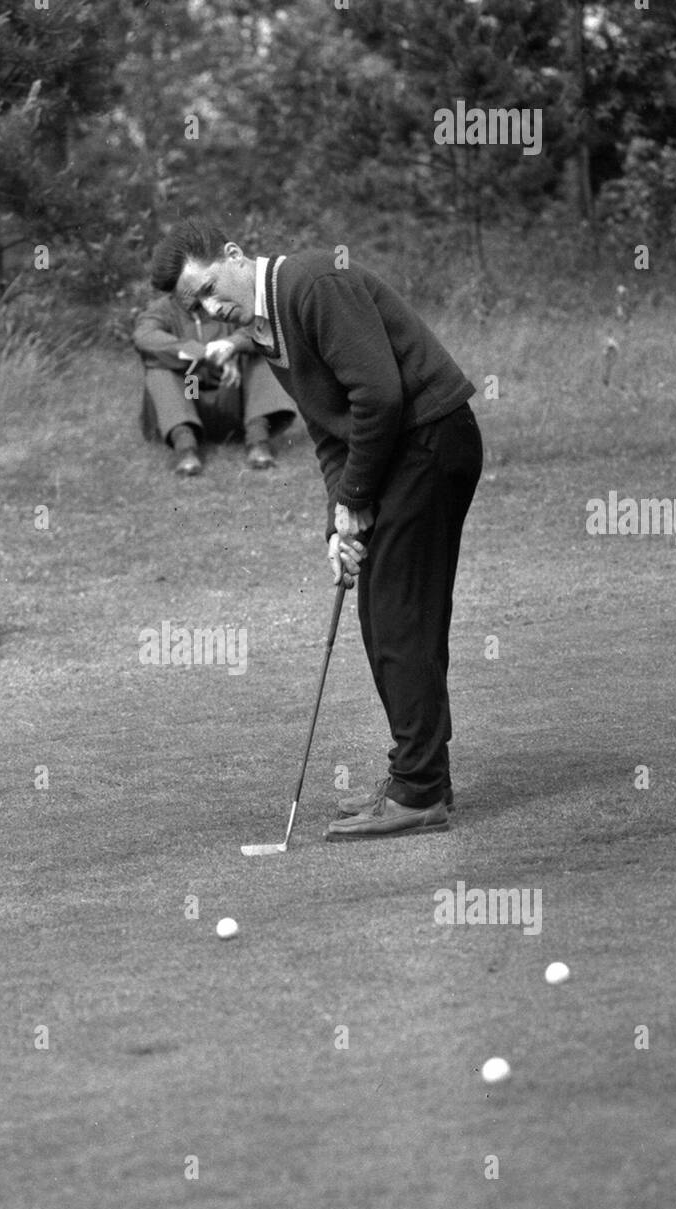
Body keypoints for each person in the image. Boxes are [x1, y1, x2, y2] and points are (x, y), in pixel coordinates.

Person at [149, 220, 483, 839]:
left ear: (233, 256)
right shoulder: (265, 328)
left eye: (209, 289)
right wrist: (338, 521)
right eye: (195, 306)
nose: (210, 309)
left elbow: (379, 396)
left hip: (430, 439)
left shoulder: (310, 283)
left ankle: (419, 791)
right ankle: (421, 776)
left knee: (399, 614)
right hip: (399, 454)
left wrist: (357, 496)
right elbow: (332, 431)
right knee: (386, 617)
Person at [133, 290, 296, 476]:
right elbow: (145, 337)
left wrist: (231, 346)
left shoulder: (229, 303)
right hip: (190, 392)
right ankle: (185, 447)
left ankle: (258, 439)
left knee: (261, 355)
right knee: (159, 368)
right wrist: (199, 352)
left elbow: (265, 328)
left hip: (230, 388)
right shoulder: (161, 309)